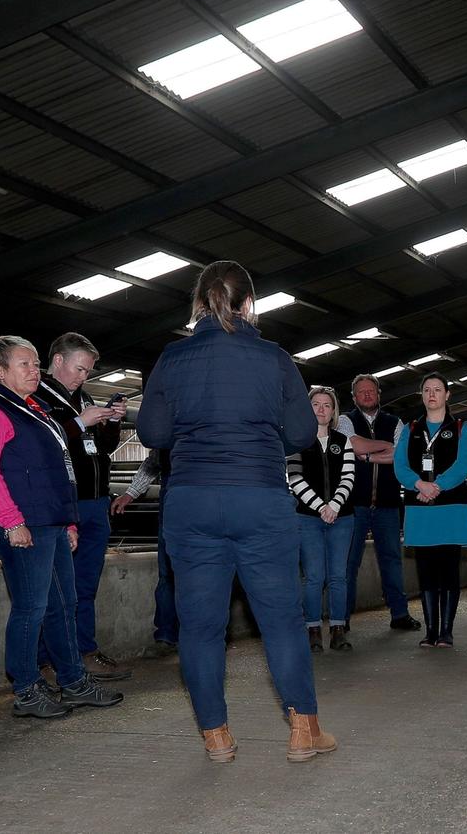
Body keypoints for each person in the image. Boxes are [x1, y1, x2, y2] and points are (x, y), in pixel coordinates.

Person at [136, 260, 336, 764]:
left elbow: (153, 433)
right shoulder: (274, 358)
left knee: (200, 625)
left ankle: (216, 736)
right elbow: (301, 434)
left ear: (198, 304)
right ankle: (303, 731)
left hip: (191, 501)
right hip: (258, 497)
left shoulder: (172, 357)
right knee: (282, 619)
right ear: (249, 303)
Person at [0, 336, 125, 717]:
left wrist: (67, 520)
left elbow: (58, 471)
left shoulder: (36, 411)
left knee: (64, 603)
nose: (34, 370)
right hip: (23, 523)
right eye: (24, 364)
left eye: (36, 363)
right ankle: (26, 689)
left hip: (49, 521)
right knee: (31, 606)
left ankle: (73, 680)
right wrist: (11, 522)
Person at [33, 333, 132, 681]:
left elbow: (101, 447)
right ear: (58, 360)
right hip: (62, 504)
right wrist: (79, 423)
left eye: (88, 371)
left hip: (95, 501)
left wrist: (112, 421)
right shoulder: (37, 397)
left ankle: (84, 651)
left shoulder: (84, 397)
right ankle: (46, 660)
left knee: (86, 583)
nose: (83, 376)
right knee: (53, 586)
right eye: (79, 369)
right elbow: (41, 443)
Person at [391, 373, 467, 648]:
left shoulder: (462, 428)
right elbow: (400, 465)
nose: (432, 394)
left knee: (449, 571)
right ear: (422, 395)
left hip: (451, 509)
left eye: (437, 389)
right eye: (427, 389)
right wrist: (419, 484)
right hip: (419, 510)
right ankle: (430, 632)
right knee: (426, 572)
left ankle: (446, 632)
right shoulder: (410, 429)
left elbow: (463, 465)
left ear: (447, 395)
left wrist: (435, 486)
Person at [339, 375, 421, 632]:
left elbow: (402, 454)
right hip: (354, 505)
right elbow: (352, 445)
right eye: (361, 391)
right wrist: (385, 446)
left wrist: (367, 456)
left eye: (371, 391)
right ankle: (342, 619)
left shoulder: (395, 422)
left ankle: (400, 614)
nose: (366, 395)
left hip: (387, 503)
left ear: (379, 394)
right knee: (349, 562)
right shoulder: (344, 420)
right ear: (354, 397)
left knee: (392, 560)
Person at [288, 386, 357, 652]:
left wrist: (335, 505)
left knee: (339, 576)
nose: (321, 409)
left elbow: (348, 477)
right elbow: (295, 478)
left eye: (327, 405)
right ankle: (313, 630)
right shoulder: (297, 441)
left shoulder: (344, 441)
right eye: (316, 404)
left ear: (333, 411)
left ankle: (338, 629)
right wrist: (321, 507)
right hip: (307, 519)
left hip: (343, 518)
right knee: (314, 576)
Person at [114, 449, 177, 655]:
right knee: (167, 573)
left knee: (203, 573)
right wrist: (131, 492)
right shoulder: (169, 435)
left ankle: (203, 636)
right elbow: (154, 460)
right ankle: (166, 635)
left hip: (201, 495)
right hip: (172, 497)